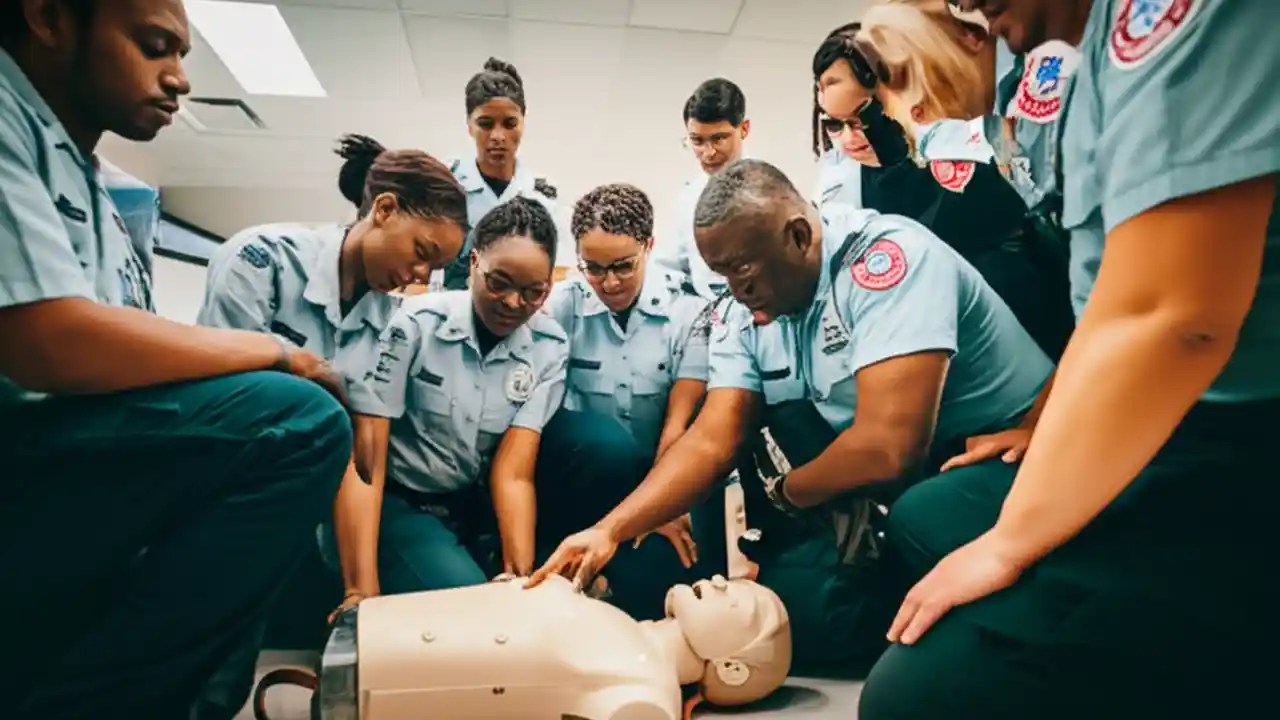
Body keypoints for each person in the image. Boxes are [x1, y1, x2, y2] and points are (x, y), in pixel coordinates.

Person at [858, 1, 1279, 718]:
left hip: (1236, 441)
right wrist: (1046, 426)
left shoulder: (1177, 19)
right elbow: (1105, 294)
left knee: (920, 699)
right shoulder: (1069, 64)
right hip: (1167, 422)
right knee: (930, 516)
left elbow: (1170, 317)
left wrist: (1011, 544)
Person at [529, 160, 1053, 671]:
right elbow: (712, 439)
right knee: (797, 617)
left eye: (742, 268)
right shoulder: (743, 309)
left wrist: (789, 493)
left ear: (800, 236)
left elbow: (888, 449)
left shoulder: (889, 259)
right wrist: (610, 530)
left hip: (998, 451)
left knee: (920, 522)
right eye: (720, 273)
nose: (734, 288)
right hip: (876, 475)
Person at [0, 1, 353, 717]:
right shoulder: (8, 120)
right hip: (24, 453)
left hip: (63, 447)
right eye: (155, 46)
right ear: (48, 17)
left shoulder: (81, 170)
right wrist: (275, 352)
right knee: (298, 424)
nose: (180, 79)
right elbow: (46, 341)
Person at [192, 133, 468, 718]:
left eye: (436, 268)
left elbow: (362, 463)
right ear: (384, 209)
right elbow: (222, 402)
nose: (419, 273)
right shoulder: (260, 260)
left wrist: (358, 591)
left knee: (231, 676)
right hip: (218, 490)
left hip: (295, 501)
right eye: (420, 251)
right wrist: (299, 367)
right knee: (196, 655)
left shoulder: (389, 322)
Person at [813, 6, 1075, 360]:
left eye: (864, 117)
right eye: (835, 124)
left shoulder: (975, 141)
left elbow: (965, 220)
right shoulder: (844, 184)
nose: (850, 138)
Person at [545, 183, 713, 609]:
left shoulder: (687, 312)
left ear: (649, 245)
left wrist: (657, 508)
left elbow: (679, 425)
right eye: (594, 268)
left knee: (665, 581)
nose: (609, 281)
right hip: (584, 485)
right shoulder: (563, 307)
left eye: (623, 265)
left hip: (660, 478)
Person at [437, 57, 561, 291]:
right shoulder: (444, 183)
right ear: (469, 124)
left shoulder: (542, 196)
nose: (498, 136)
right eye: (485, 124)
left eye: (509, 123)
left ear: (523, 123)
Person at [655, 77, 751, 301]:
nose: (708, 153)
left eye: (719, 139)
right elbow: (666, 268)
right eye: (697, 141)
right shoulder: (688, 199)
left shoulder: (772, 190)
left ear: (744, 129)